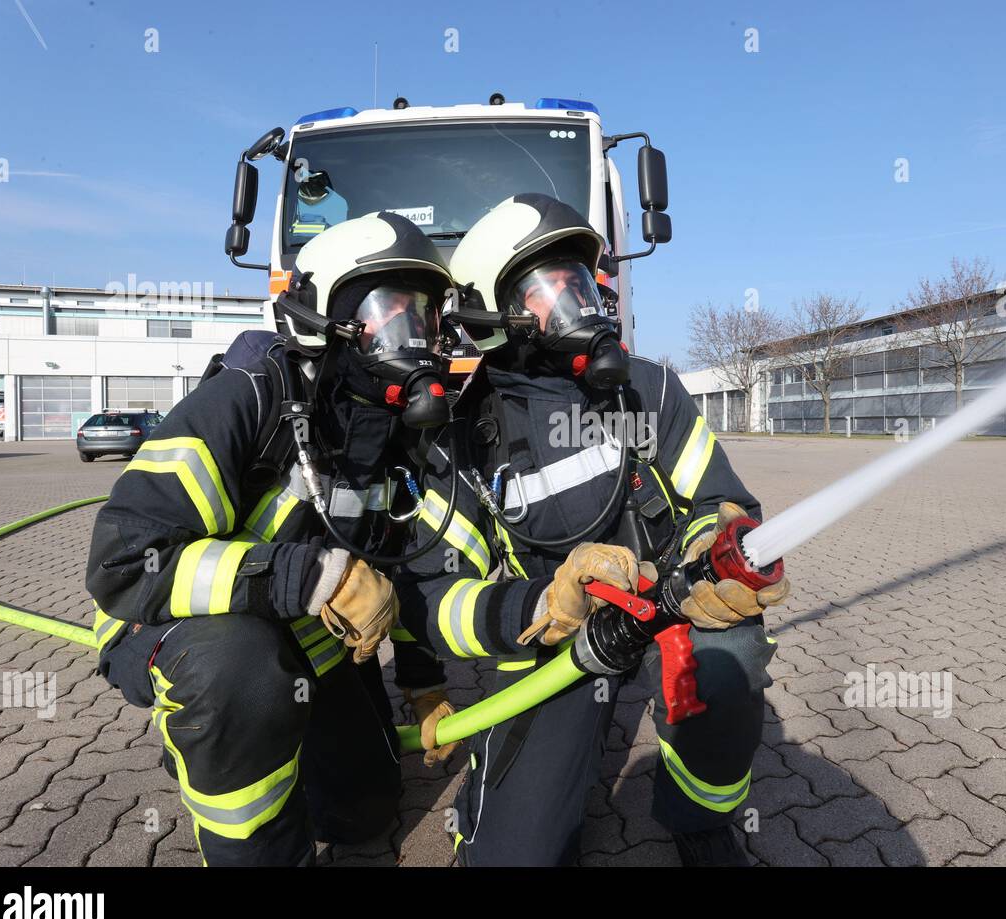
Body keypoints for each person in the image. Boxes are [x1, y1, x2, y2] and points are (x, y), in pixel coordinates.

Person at [395, 193, 790, 866]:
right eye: (548, 288)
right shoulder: (463, 442)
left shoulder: (649, 390)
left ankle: (698, 814)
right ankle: (493, 814)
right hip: (563, 635)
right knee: (517, 855)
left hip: (672, 605)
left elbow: (720, 498)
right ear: (495, 315)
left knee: (732, 660)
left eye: (578, 281)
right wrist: (539, 604)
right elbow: (432, 595)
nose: (581, 301)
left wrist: (710, 544)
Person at [87, 211, 460, 866]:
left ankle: (252, 733)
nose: (419, 340)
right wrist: (315, 577)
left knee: (365, 808)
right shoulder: (248, 399)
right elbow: (124, 563)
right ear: (323, 320)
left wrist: (423, 685)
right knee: (238, 675)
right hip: (173, 621)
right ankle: (231, 769)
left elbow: (400, 570)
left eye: (425, 319)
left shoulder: (390, 435)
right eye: (391, 314)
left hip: (306, 640)